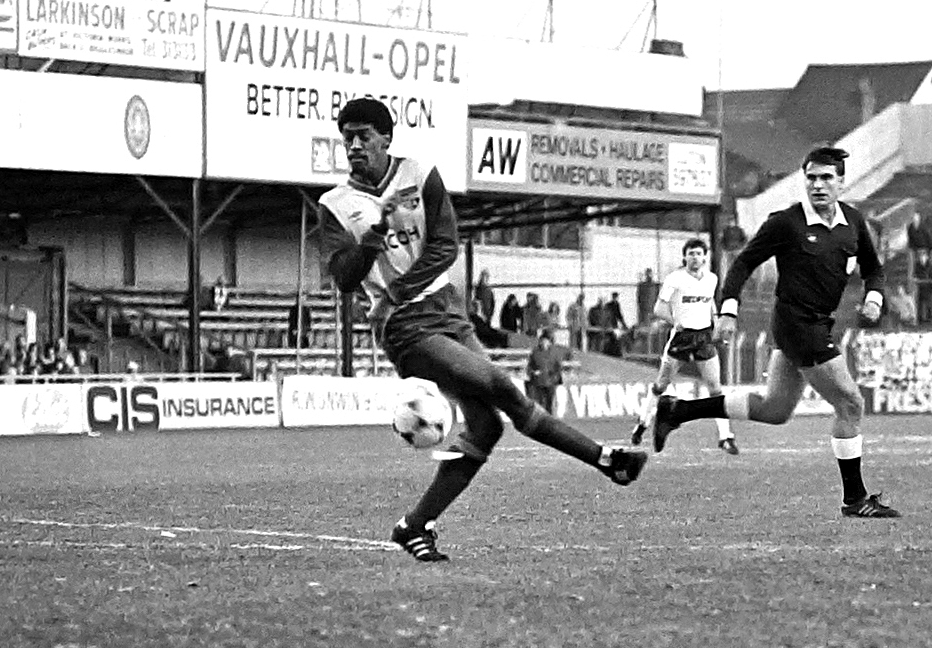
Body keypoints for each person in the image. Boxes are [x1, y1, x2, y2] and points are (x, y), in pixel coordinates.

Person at [317, 97, 646, 563]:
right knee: (500, 385)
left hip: (446, 312)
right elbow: (346, 278)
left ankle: (414, 525)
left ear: (386, 138)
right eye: (347, 136)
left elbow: (446, 247)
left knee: (488, 425)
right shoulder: (335, 205)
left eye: (363, 135)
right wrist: (373, 236)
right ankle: (607, 461)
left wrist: (401, 286)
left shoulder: (420, 175)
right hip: (404, 329)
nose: (353, 145)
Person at [650, 146, 901, 518]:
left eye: (826, 178)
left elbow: (873, 268)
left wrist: (875, 298)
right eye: (811, 177)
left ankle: (678, 410)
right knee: (850, 403)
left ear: (841, 183)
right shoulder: (788, 222)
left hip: (815, 323)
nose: (818, 185)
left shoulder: (852, 221)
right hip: (798, 324)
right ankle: (855, 498)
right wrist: (729, 310)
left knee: (775, 410)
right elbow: (745, 262)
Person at [630, 238, 738, 454]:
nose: (695, 257)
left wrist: (716, 323)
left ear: (705, 256)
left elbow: (709, 303)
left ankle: (726, 437)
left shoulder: (711, 279)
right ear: (685, 256)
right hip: (681, 338)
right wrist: (674, 321)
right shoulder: (675, 279)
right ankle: (642, 424)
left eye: (699, 253)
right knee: (661, 384)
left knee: (715, 388)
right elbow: (659, 308)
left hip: (703, 338)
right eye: (691, 253)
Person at [524, 328, 565, 413]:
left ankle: (549, 419)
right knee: (540, 403)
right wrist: (533, 373)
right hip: (538, 382)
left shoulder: (554, 353)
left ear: (549, 342)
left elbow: (558, 367)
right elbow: (530, 366)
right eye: (542, 340)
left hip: (550, 382)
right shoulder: (535, 352)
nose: (543, 343)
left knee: (549, 404)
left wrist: (554, 377)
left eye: (545, 341)